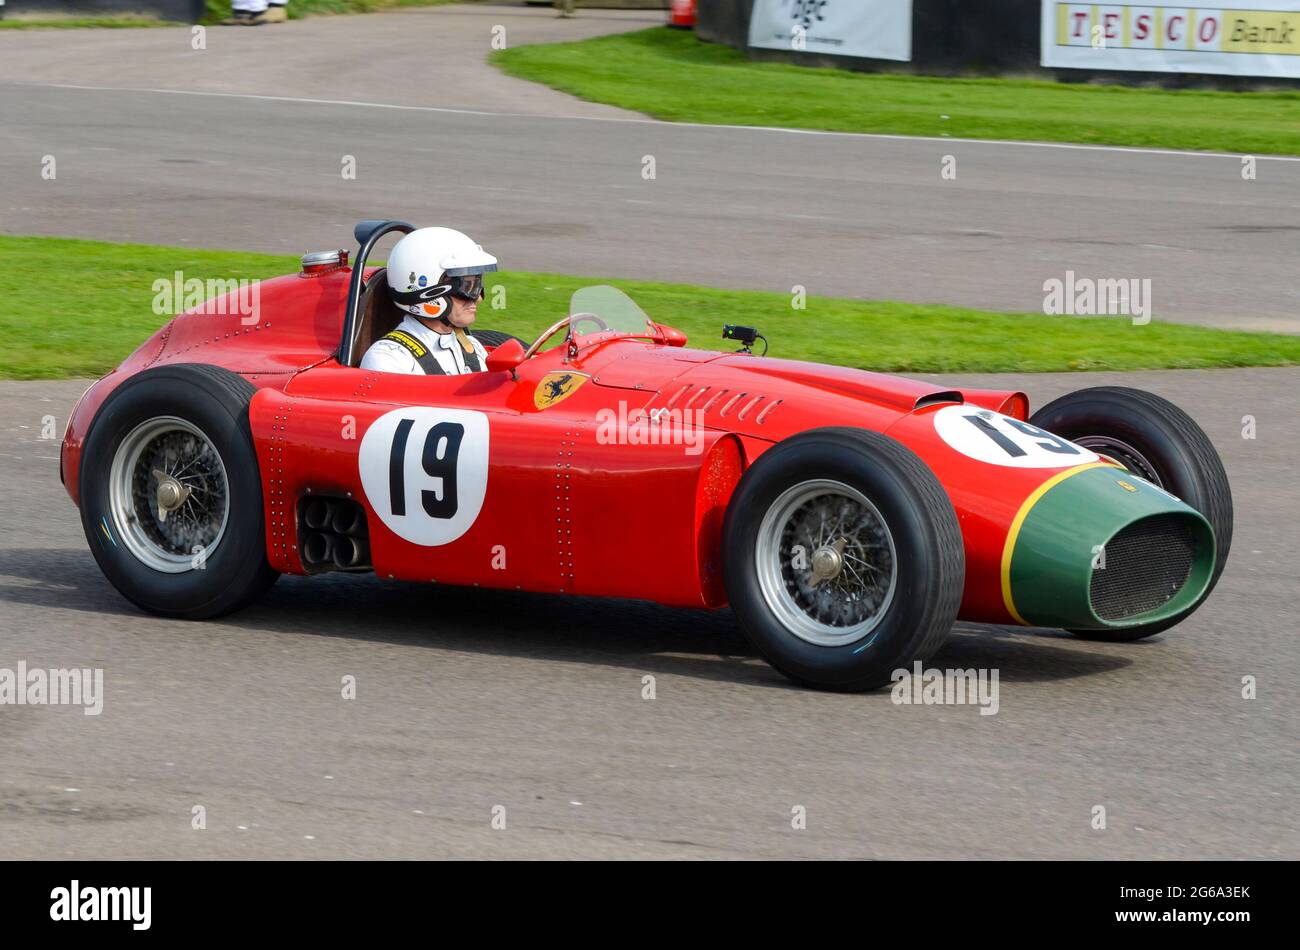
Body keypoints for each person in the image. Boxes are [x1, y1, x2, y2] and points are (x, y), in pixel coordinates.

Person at [360, 228, 498, 376]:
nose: (478, 298)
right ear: (427, 289)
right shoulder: (390, 360)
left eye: (477, 285)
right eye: (467, 287)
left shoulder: (472, 347)